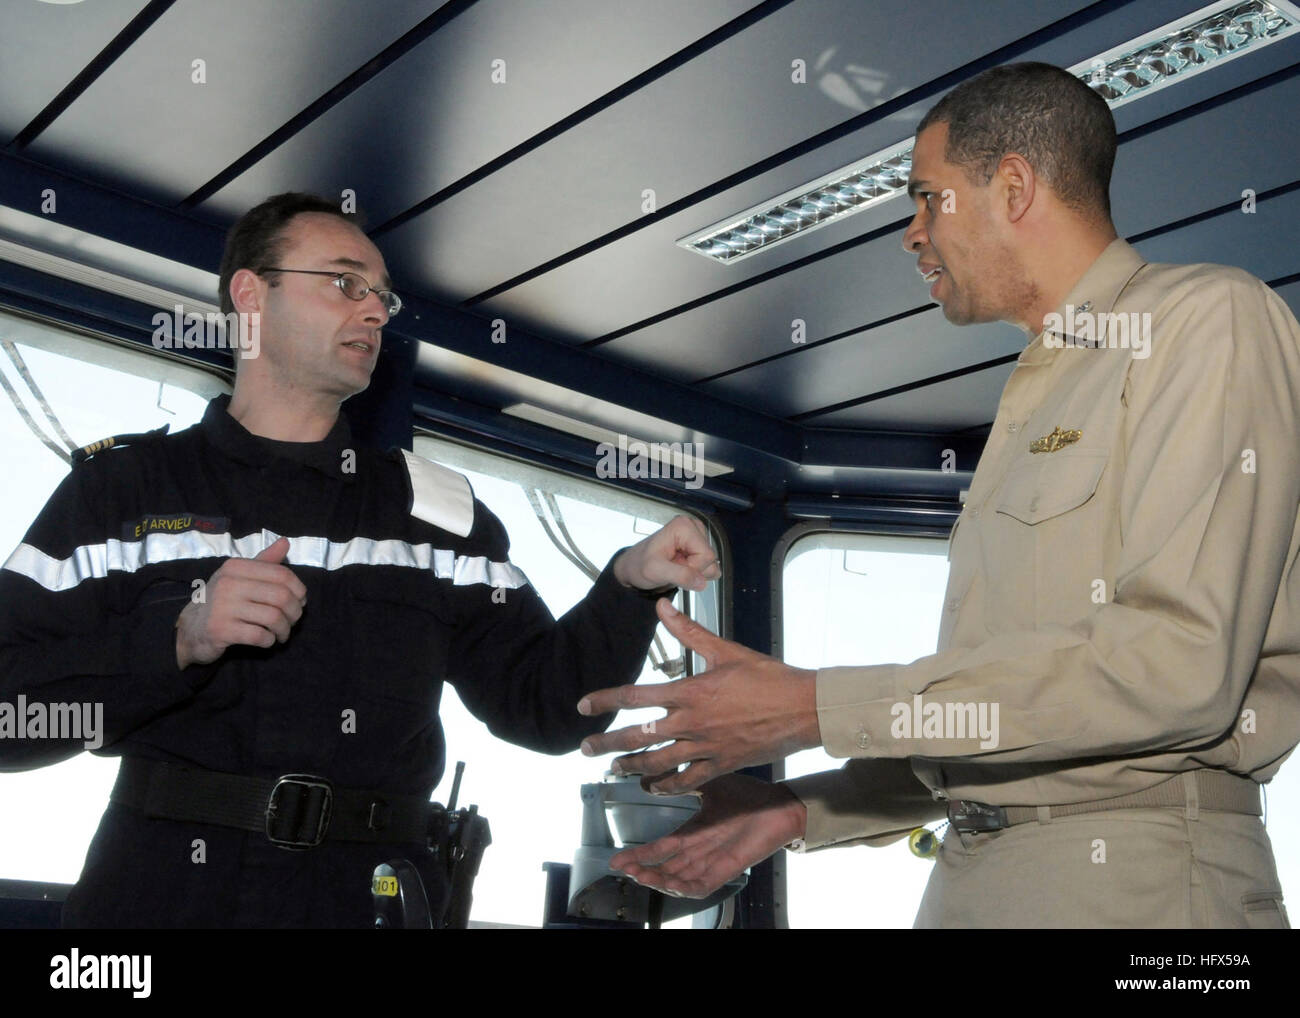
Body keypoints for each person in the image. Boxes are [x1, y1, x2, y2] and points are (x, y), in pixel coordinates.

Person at [577, 62, 1300, 928]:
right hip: (971, 874)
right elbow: (1011, 717)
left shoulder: (1207, 320)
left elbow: (1178, 666)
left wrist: (813, 706)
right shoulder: (1039, 393)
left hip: (1142, 890)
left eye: (928, 198)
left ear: (1014, 186)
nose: (913, 234)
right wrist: (797, 810)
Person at [0, 192, 720, 928]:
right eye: (345, 284)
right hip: (159, 898)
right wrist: (178, 639)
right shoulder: (120, 490)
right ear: (251, 294)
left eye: (382, 296)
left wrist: (629, 585)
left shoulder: (438, 516)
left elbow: (543, 709)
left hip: (370, 897)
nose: (374, 312)